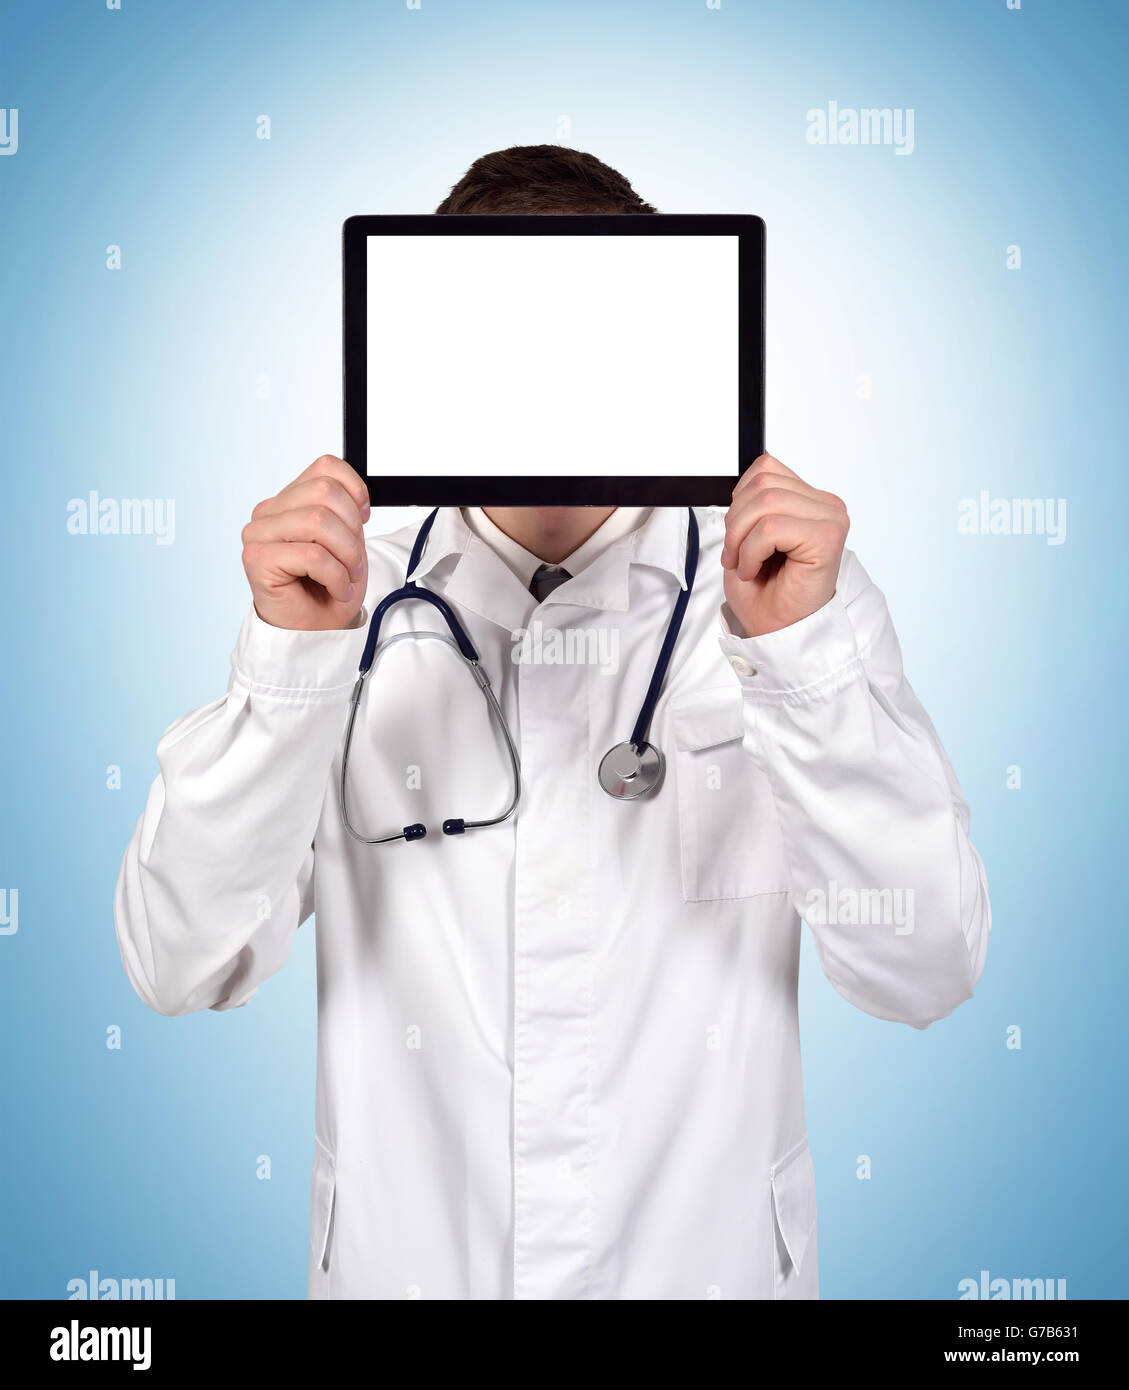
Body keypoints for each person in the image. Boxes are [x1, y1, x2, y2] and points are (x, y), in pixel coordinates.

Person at [114, 145, 991, 1301]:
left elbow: (925, 963)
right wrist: (289, 664)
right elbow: (180, 962)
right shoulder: (342, 602)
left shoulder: (788, 592)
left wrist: (798, 661)